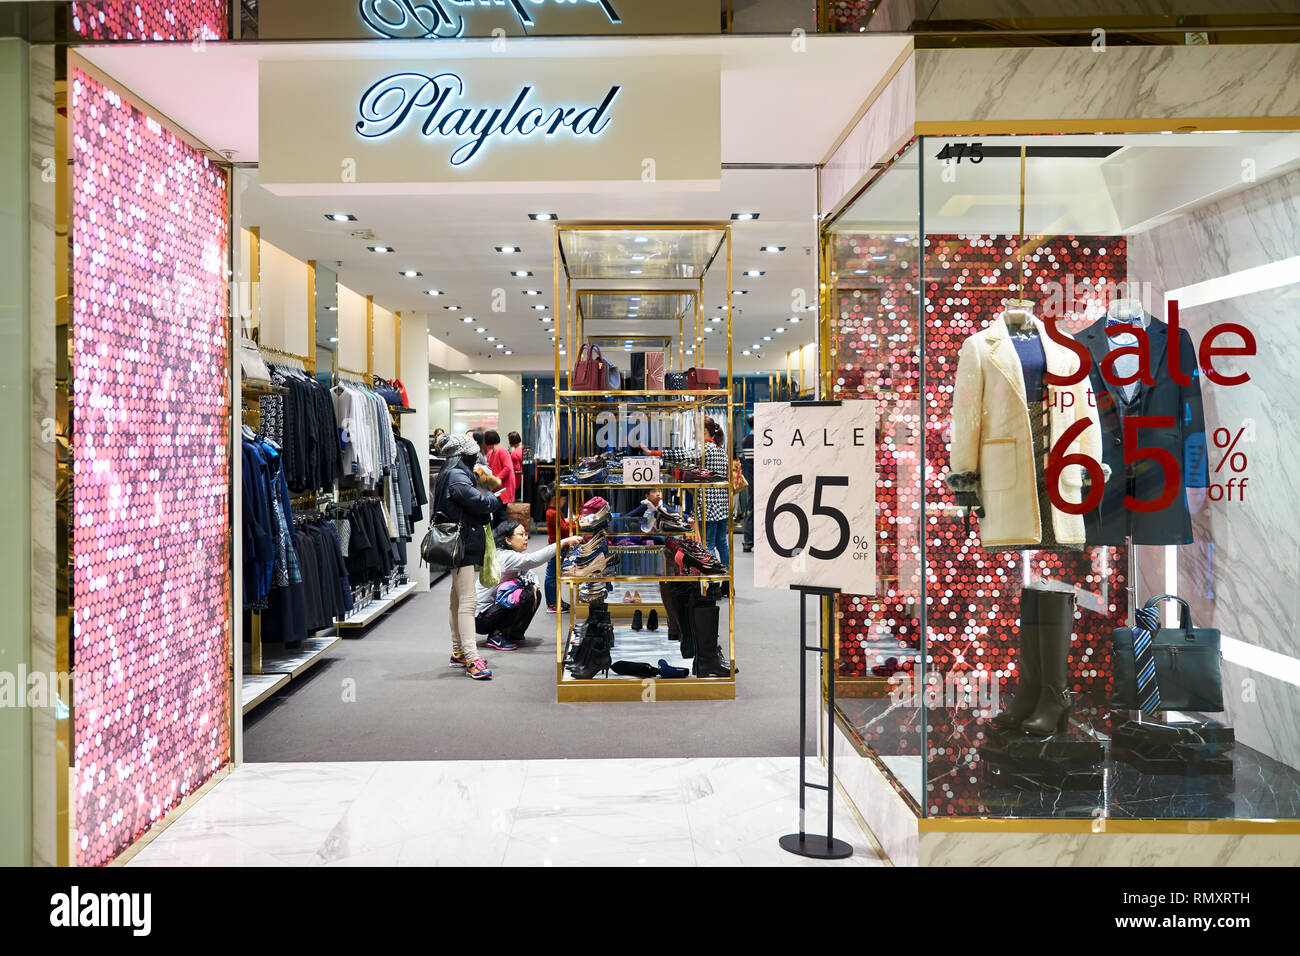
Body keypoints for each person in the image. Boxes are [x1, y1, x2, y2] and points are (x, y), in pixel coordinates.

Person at [432, 432, 505, 680]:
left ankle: (458, 652)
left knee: (457, 598)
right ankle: (472, 658)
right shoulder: (456, 475)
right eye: (474, 453)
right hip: (461, 543)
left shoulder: (449, 472)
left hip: (457, 541)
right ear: (465, 454)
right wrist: (495, 499)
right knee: (468, 601)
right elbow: (478, 503)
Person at [476, 520, 581, 651]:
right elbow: (533, 559)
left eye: (526, 534)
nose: (525, 538)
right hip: (482, 618)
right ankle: (497, 635)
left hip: (490, 612)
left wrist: (533, 584)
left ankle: (512, 633)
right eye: (521, 534)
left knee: (534, 593)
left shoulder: (511, 555)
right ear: (508, 540)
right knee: (526, 595)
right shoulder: (505, 557)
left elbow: (531, 573)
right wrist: (563, 542)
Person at [544, 484, 571, 612]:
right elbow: (564, 530)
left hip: (558, 545)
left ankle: (555, 601)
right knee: (552, 576)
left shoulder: (555, 512)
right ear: (556, 498)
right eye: (563, 499)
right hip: (556, 546)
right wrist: (576, 525)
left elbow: (563, 526)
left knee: (555, 575)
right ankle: (552, 603)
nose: (564, 502)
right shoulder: (552, 513)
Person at [484, 429, 517, 502]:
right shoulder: (490, 453)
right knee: (496, 510)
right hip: (496, 487)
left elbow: (507, 467)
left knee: (500, 510)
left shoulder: (502, 451)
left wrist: (497, 479)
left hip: (504, 486)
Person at [740, 413, 755, 552]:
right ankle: (749, 541)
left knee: (751, 510)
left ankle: (748, 541)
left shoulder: (746, 440)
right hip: (758, 479)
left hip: (750, 479)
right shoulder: (759, 439)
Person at [508, 431, 525, 499]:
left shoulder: (514, 453)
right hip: (525, 479)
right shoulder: (524, 449)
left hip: (518, 480)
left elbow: (516, 469)